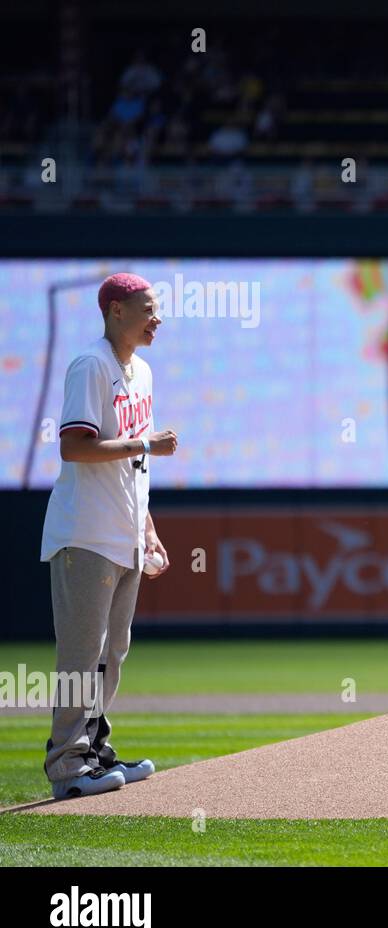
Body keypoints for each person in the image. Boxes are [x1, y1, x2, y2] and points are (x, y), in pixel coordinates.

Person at [40, 273, 178, 800]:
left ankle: (94, 748)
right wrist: (144, 442)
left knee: (113, 650)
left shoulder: (141, 371)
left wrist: (150, 532)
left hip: (124, 533)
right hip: (86, 534)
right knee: (82, 651)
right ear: (116, 310)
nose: (156, 318)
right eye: (147, 308)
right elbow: (75, 446)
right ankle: (68, 765)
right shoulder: (91, 364)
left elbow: (134, 470)